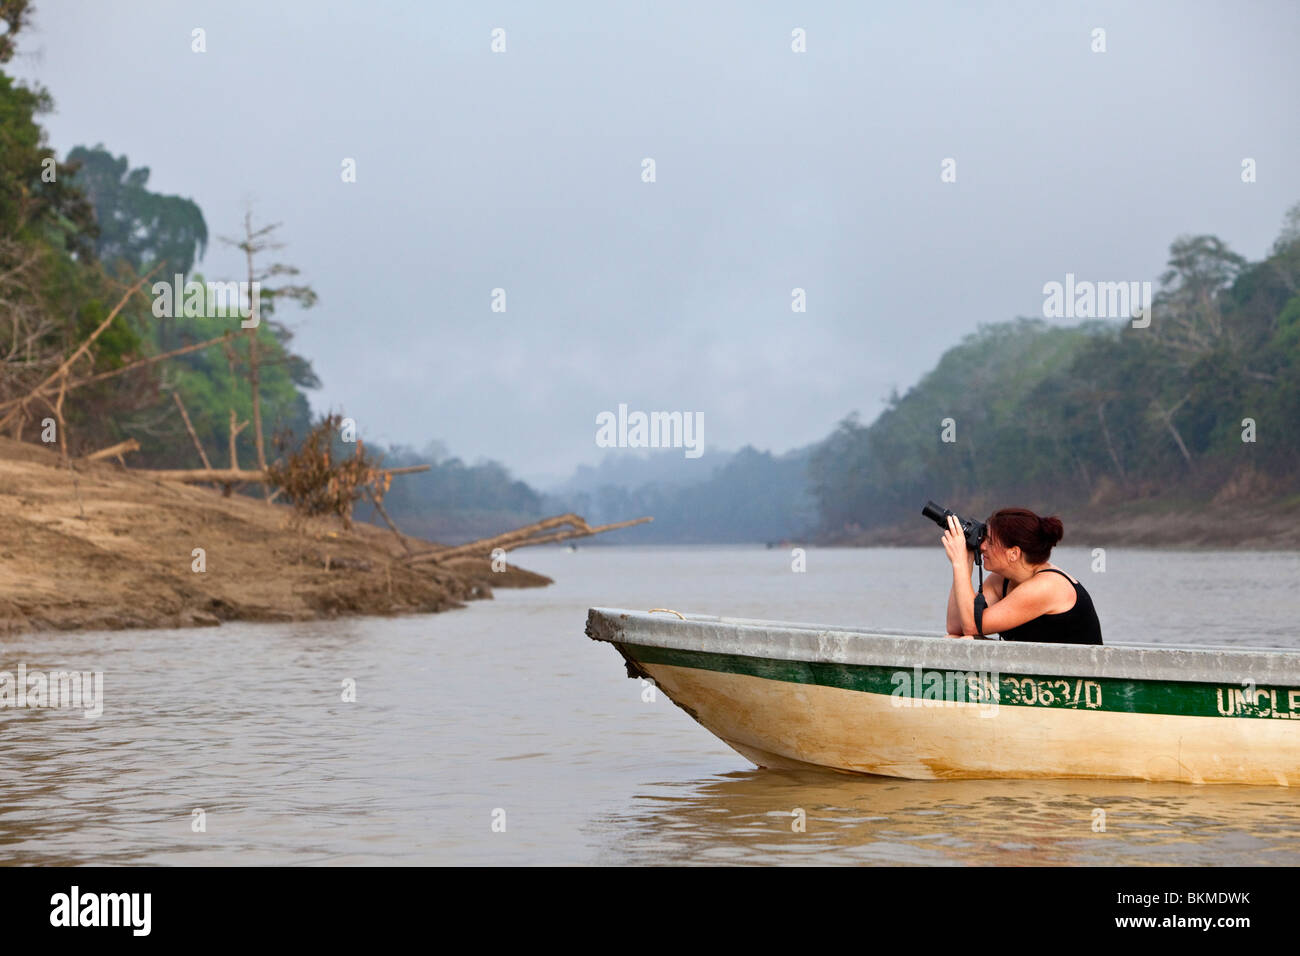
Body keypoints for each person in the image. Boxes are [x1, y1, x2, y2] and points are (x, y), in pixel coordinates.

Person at [941, 507, 1102, 644]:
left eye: (989, 541)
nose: (982, 546)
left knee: (967, 640)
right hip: (1039, 671)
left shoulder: (1047, 586)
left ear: (1014, 553)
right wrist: (966, 564)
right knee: (953, 638)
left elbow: (972, 626)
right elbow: (956, 626)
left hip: (1081, 678)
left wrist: (959, 563)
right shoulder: (1001, 580)